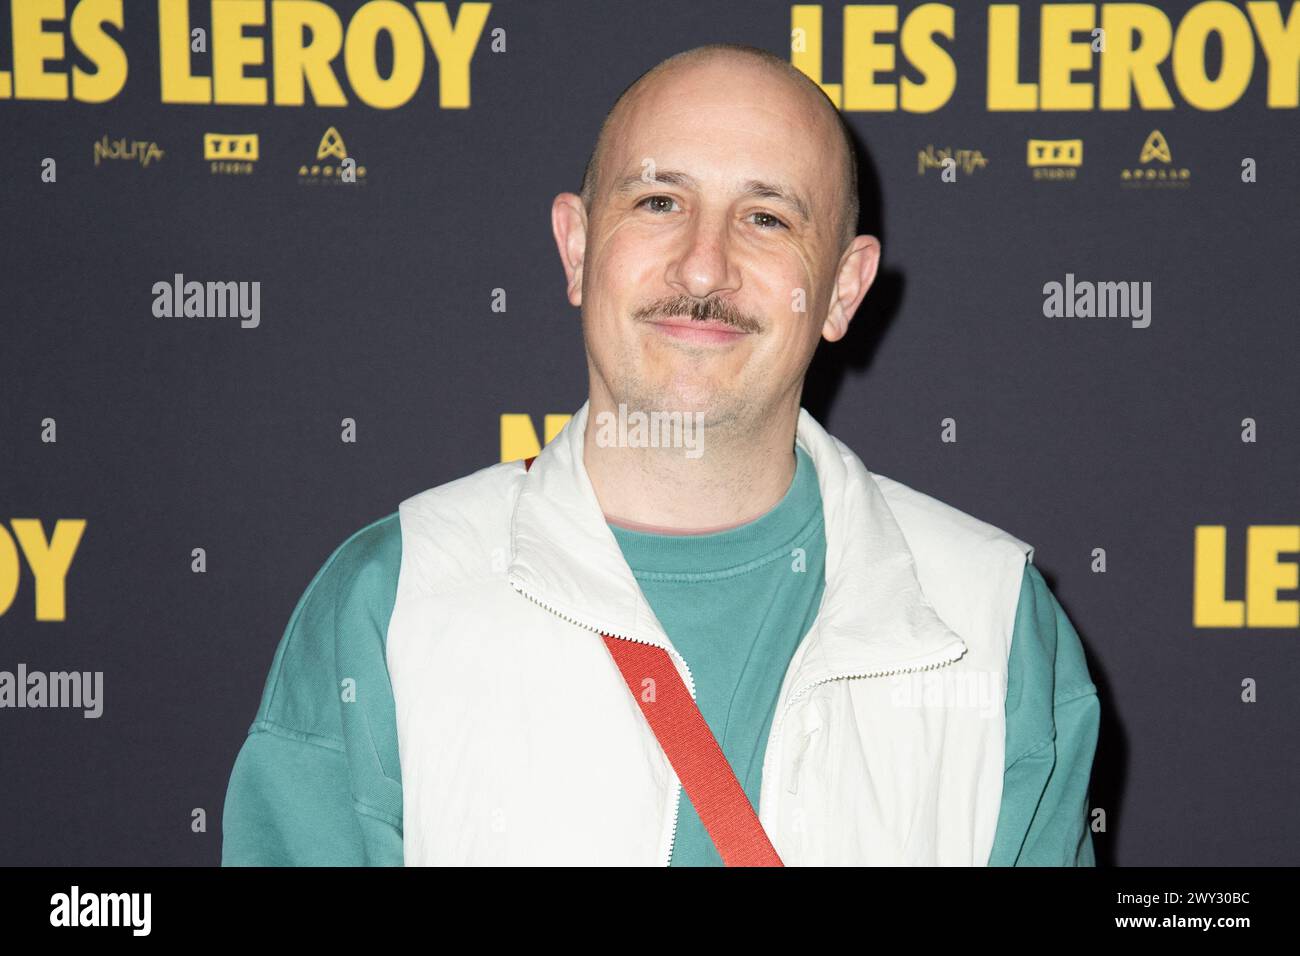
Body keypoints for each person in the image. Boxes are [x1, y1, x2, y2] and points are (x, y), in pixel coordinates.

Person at [221, 43, 1100, 866]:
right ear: (577, 248)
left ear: (842, 289)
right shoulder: (390, 599)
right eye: (658, 202)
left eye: (765, 217)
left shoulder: (989, 623)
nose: (704, 267)